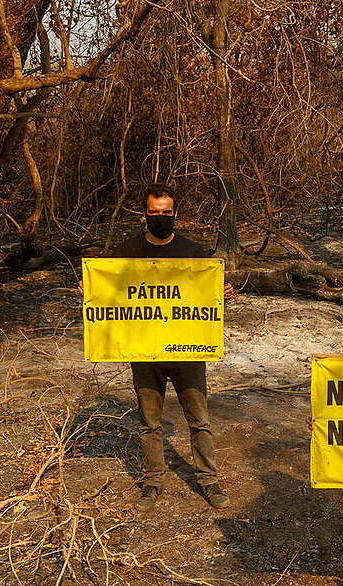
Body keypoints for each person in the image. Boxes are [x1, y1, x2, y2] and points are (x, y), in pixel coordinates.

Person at [90, 183, 235, 512]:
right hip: (144, 353)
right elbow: (107, 289)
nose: (160, 218)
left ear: (175, 214)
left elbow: (208, 293)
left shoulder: (194, 253)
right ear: (145, 214)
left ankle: (209, 482)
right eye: (154, 213)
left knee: (199, 419)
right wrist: (90, 288)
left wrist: (222, 293)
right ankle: (153, 482)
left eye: (165, 213)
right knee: (149, 421)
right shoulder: (126, 253)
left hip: (187, 350)